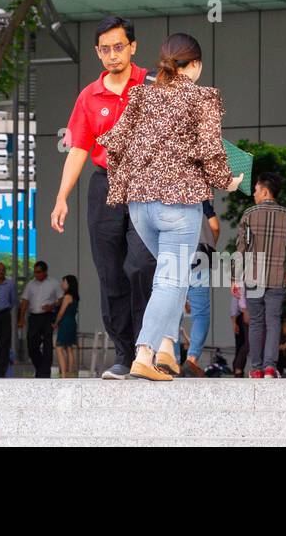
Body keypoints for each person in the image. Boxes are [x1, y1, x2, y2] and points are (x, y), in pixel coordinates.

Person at [98, 33, 242, 381]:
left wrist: (125, 187)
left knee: (172, 279)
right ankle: (144, 353)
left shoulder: (141, 94)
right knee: (169, 279)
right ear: (194, 65)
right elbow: (210, 150)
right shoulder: (201, 98)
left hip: (139, 207)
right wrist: (228, 181)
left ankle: (166, 349)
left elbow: (112, 144)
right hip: (178, 206)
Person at [50, 16, 155, 379]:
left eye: (119, 47)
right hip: (105, 185)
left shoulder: (153, 85)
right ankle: (124, 354)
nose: (113, 55)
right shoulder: (89, 96)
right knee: (111, 274)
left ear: (133, 47)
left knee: (140, 266)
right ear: (98, 52)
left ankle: (148, 346)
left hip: (147, 184)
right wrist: (62, 197)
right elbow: (78, 148)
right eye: (105, 49)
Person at [236, 173, 286, 378]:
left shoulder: (249, 214)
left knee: (255, 323)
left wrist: (235, 277)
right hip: (278, 278)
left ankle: (255, 369)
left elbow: (241, 249)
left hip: (253, 277)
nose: (254, 194)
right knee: (273, 322)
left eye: (255, 190)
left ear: (264, 191)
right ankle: (270, 367)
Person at [180, 199, 219, 377]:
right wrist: (211, 244)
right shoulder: (200, 196)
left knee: (173, 313)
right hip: (198, 254)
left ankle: (170, 360)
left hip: (172, 255)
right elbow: (215, 226)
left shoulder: (167, 191)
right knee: (201, 314)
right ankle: (192, 359)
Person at [20, 261, 63, 377]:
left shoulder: (53, 283)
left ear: (45, 272)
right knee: (31, 344)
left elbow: (61, 299)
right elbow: (24, 301)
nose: (36, 274)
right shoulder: (30, 284)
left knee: (47, 344)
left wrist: (52, 305)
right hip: (34, 317)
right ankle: (40, 368)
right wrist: (21, 318)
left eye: (38, 272)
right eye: (35, 272)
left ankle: (45, 372)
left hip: (47, 316)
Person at [53, 275, 80, 378]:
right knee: (69, 348)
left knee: (59, 347)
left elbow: (61, 312)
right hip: (72, 322)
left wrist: (55, 323)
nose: (62, 284)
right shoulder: (75, 297)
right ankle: (70, 373)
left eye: (64, 282)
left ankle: (64, 374)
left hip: (65, 323)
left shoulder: (67, 297)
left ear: (69, 284)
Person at [230, 291, 250, 377]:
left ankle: (238, 367)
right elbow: (235, 301)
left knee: (244, 343)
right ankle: (237, 367)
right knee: (244, 343)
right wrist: (234, 322)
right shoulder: (241, 282)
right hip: (242, 315)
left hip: (249, 314)